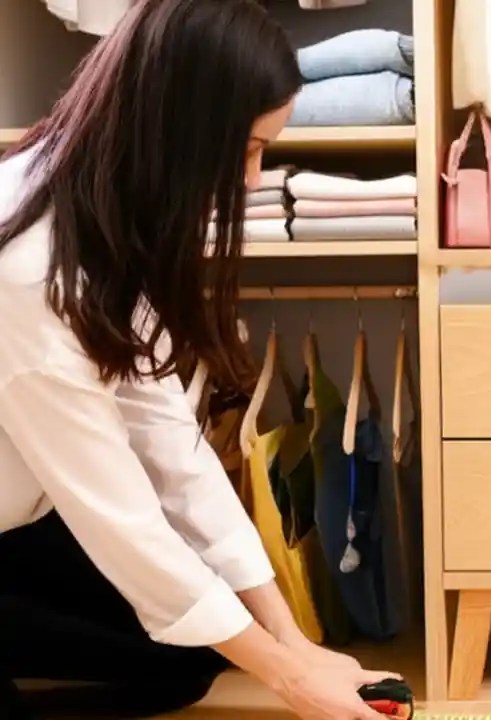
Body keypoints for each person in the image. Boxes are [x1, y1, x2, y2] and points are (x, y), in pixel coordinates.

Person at [0, 2, 399, 718]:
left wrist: (293, 642)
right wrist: (289, 681)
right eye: (247, 150)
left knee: (190, 652)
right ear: (178, 130)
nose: (253, 180)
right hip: (35, 515)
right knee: (193, 615)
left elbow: (170, 445)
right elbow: (119, 515)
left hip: (21, 521)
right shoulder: (27, 268)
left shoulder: (101, 215)